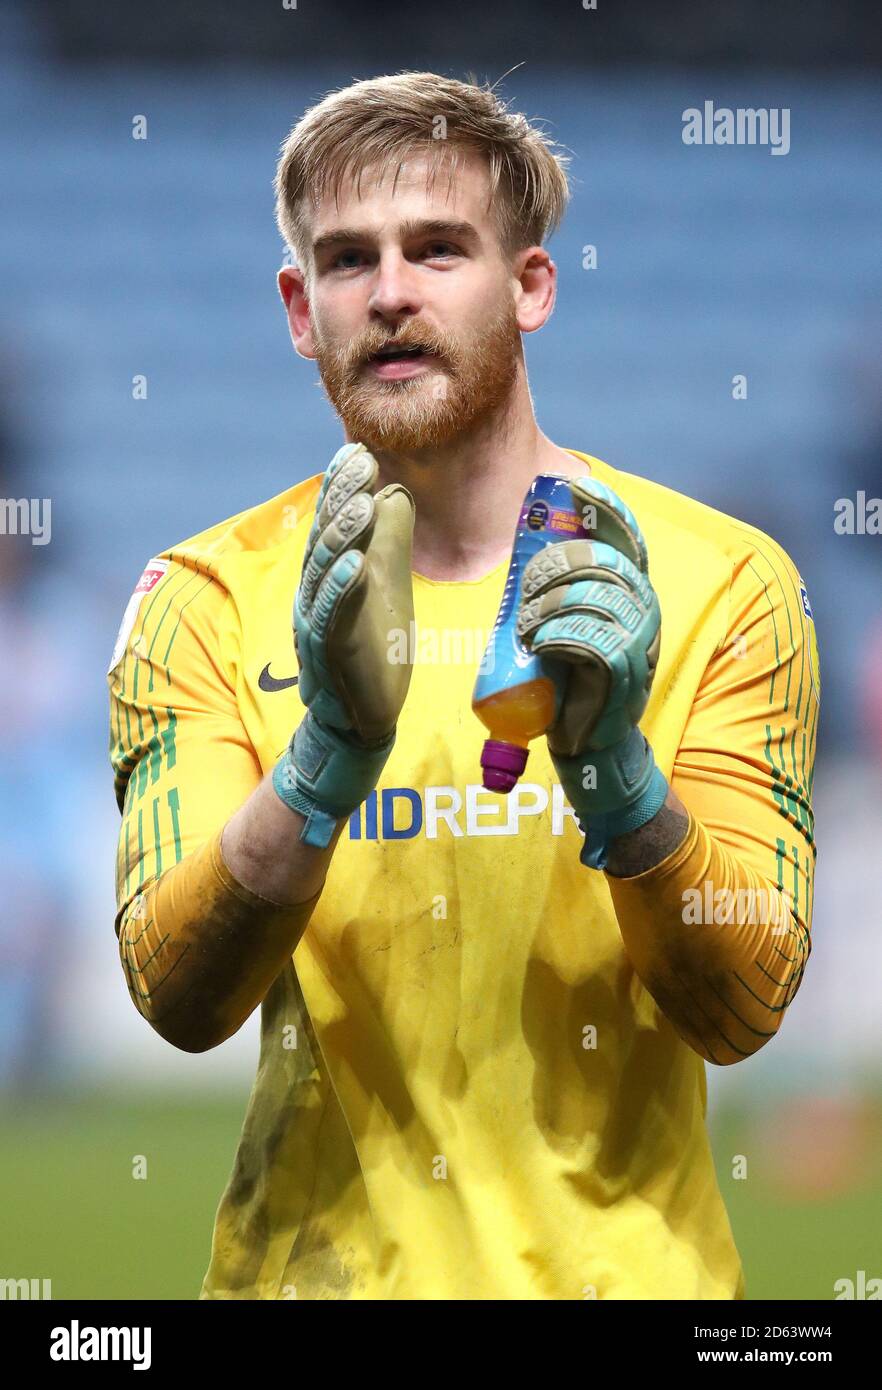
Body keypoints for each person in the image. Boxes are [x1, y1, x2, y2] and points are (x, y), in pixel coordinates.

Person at [107, 71, 819, 1300]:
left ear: (530, 285)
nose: (389, 293)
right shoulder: (204, 596)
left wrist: (617, 779)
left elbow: (744, 1003)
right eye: (346, 260)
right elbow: (176, 993)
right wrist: (328, 756)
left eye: (438, 250)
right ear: (298, 307)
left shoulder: (724, 583)